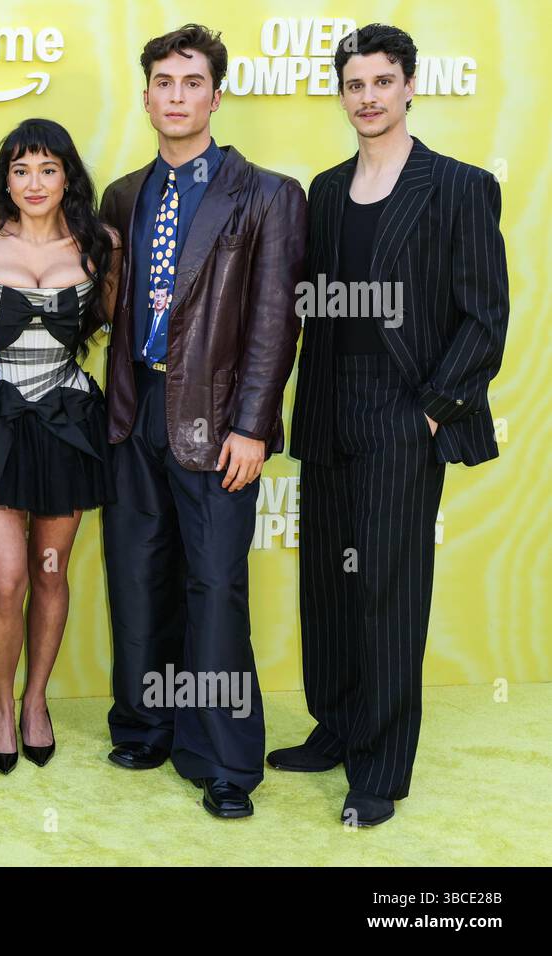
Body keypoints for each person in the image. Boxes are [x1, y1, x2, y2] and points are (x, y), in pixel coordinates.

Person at [275, 24, 509, 827]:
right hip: (330, 413)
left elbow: (485, 319)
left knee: (387, 595)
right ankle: (336, 728)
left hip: (405, 418)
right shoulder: (328, 188)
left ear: (411, 86)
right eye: (354, 84)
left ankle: (380, 768)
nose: (367, 97)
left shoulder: (460, 186)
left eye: (382, 82)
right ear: (342, 93)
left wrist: (432, 413)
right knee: (329, 586)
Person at [98, 24, 306, 818]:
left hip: (217, 420)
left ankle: (223, 759)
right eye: (164, 82)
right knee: (138, 576)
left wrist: (253, 425)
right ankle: (147, 725)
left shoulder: (267, 194)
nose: (176, 96)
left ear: (216, 96)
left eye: (192, 83)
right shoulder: (124, 194)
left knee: (214, 585)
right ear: (146, 94)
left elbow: (275, 320)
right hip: (135, 413)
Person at [0, 119, 119, 774]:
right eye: (20, 170)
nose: (33, 183)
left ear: (67, 178)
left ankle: (35, 702)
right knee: (7, 578)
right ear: (7, 180)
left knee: (51, 573)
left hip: (68, 417)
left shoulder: (100, 243)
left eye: (47, 169)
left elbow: (108, 318)